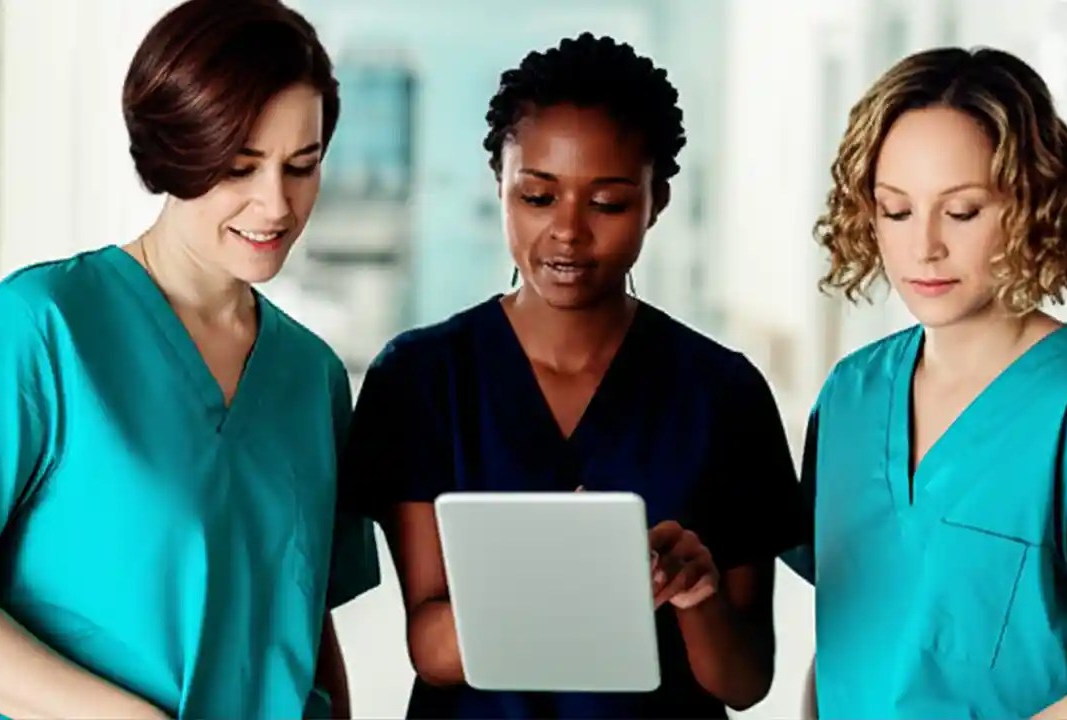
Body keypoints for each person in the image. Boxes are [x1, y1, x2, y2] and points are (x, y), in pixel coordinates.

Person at [0, 1, 379, 717]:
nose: (276, 205)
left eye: (302, 165)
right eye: (239, 166)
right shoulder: (43, 328)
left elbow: (305, 630)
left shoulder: (312, 377)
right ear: (175, 152)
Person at [341, 32, 806, 719]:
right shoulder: (421, 380)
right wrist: (572, 581)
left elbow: (744, 681)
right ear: (499, 184)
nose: (567, 231)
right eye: (537, 195)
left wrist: (695, 595)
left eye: (609, 203)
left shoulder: (723, 395)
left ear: (659, 199)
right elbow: (433, 649)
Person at [795, 46, 1067, 718]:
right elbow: (858, 641)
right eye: (896, 211)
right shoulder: (850, 397)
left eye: (962, 212)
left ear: (1032, 204)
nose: (924, 246)